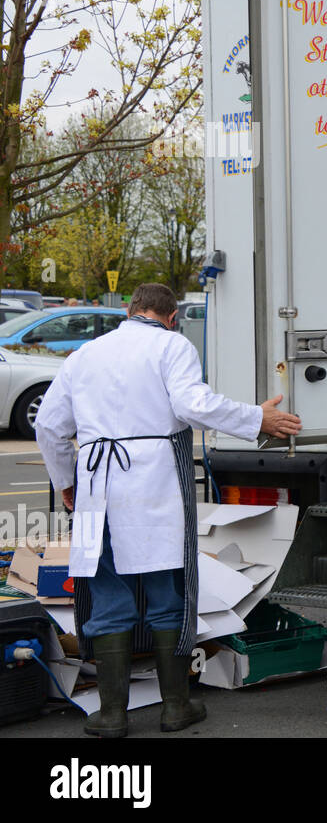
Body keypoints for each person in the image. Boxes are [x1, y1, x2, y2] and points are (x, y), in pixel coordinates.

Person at [35, 283, 302, 737]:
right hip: (152, 483)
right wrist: (258, 418)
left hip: (95, 482)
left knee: (106, 590)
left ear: (129, 310)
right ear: (172, 315)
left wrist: (66, 483)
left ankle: (113, 714)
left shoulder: (83, 355)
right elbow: (191, 404)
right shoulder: (172, 345)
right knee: (166, 589)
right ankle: (176, 706)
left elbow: (48, 425)